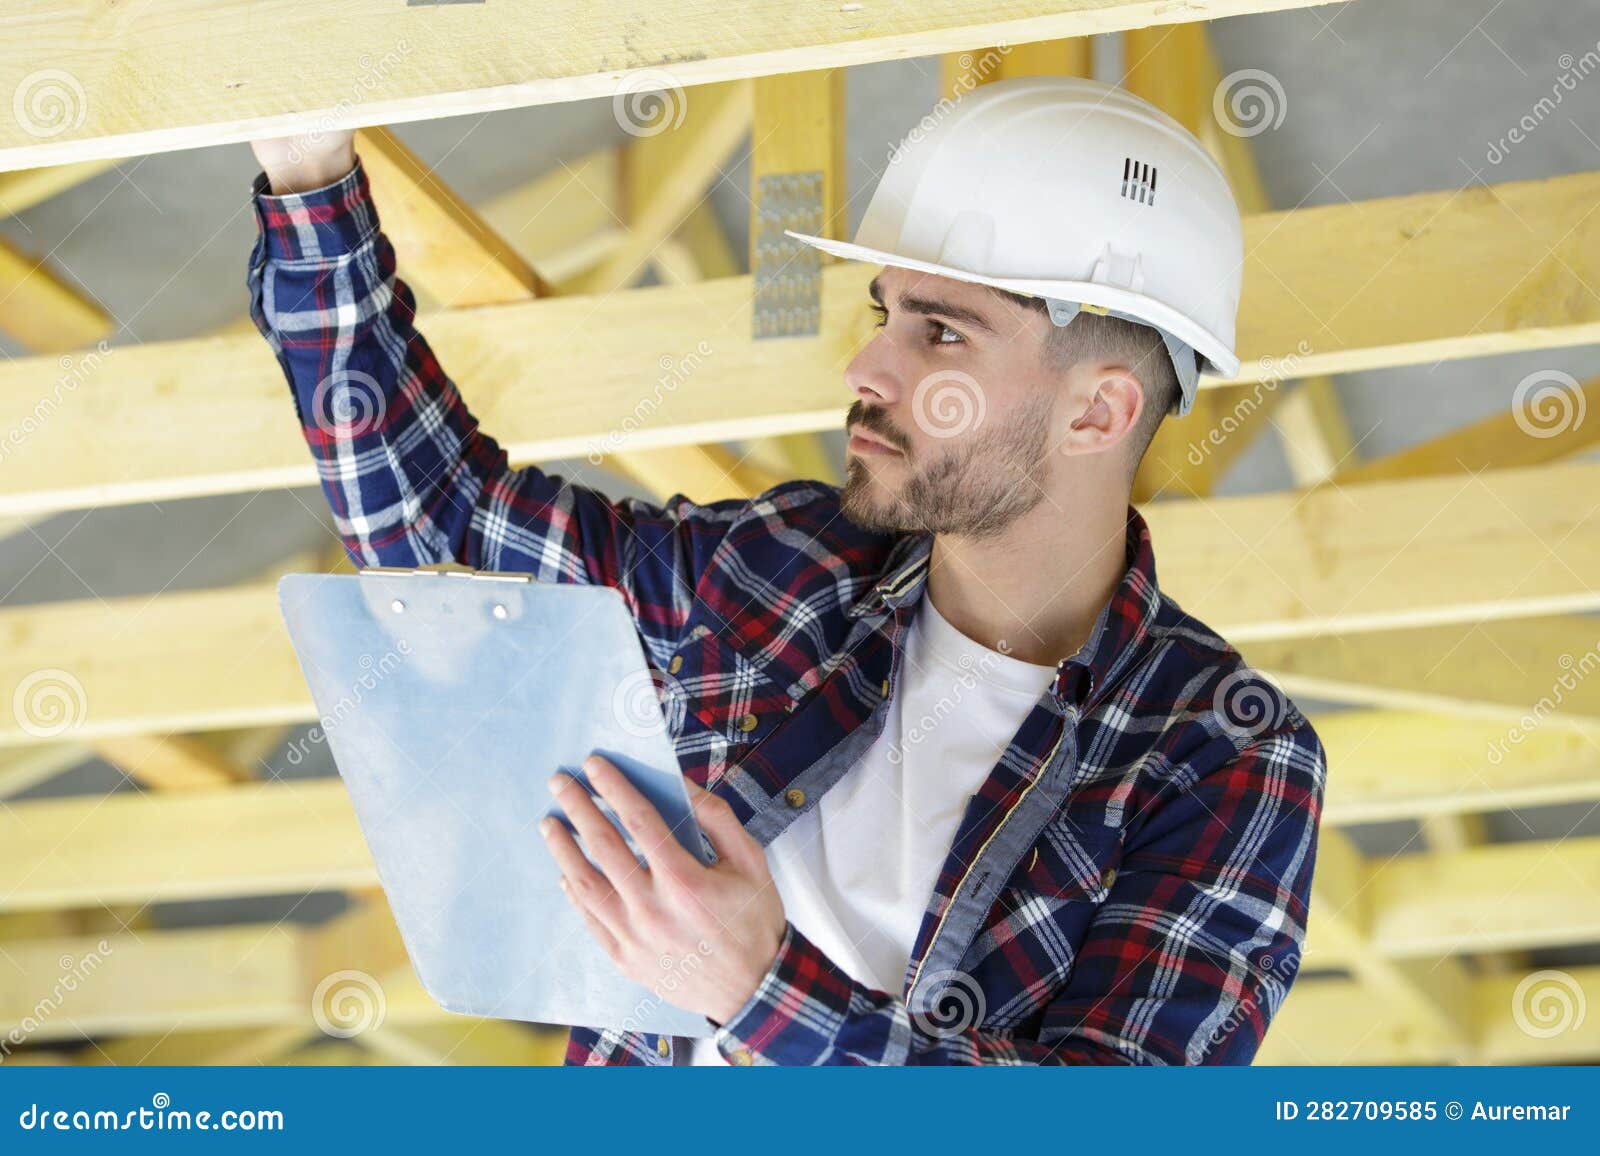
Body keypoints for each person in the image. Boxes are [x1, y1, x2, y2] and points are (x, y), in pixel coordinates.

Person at [246, 76, 1325, 1066]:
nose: (867, 367)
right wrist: (309, 172)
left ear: (1098, 409)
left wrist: (756, 988)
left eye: (940, 333)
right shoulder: (790, 571)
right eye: (884, 315)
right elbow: (446, 535)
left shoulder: (1219, 749)